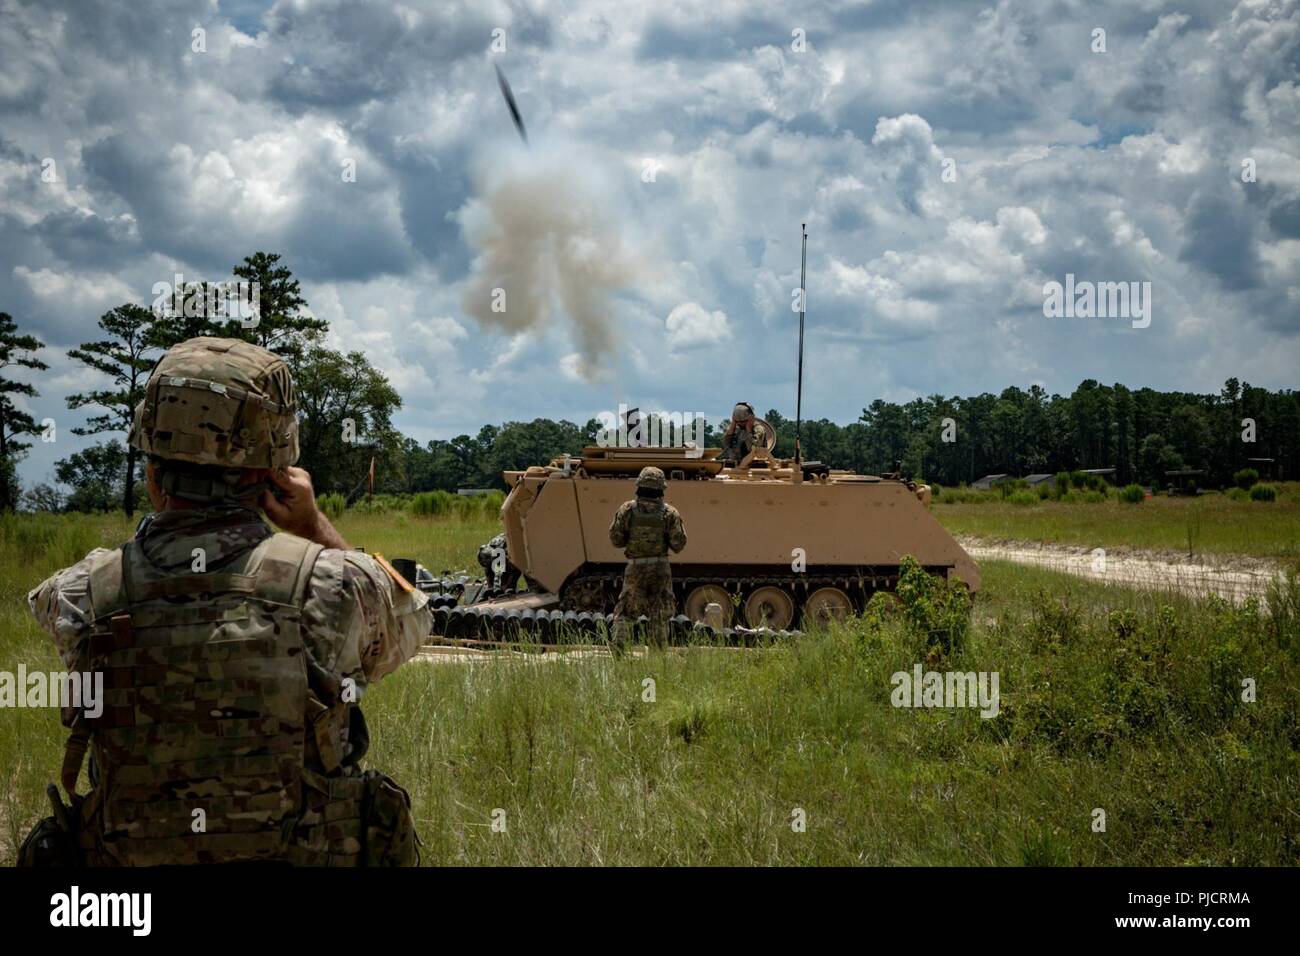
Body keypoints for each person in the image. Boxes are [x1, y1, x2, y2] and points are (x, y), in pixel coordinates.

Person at [22, 336, 431, 867]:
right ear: (274, 471)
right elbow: (414, 617)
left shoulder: (77, 594)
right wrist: (313, 527)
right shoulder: (332, 588)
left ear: (152, 471)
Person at [608, 466, 687, 652]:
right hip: (660, 568)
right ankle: (657, 657)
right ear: (661, 488)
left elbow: (616, 540)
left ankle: (619, 653)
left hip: (635, 568)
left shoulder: (627, 510)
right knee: (660, 614)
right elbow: (679, 544)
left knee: (626, 612)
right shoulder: (670, 513)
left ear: (639, 486)